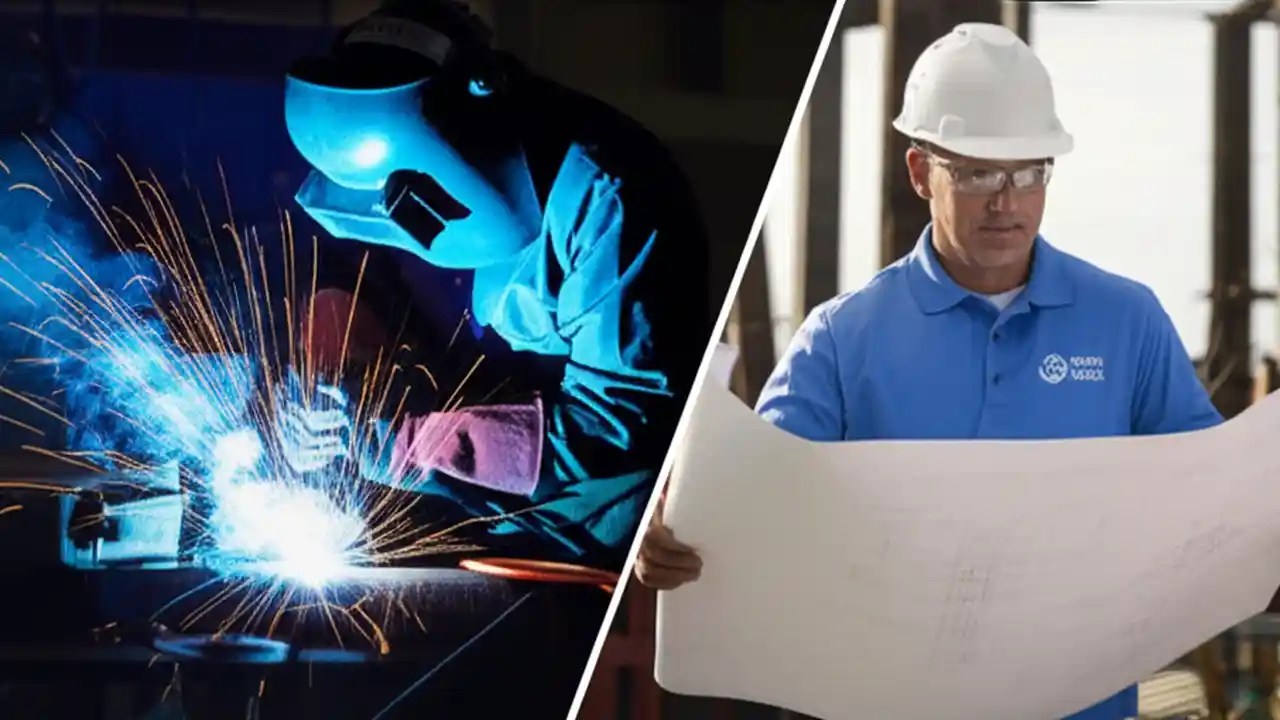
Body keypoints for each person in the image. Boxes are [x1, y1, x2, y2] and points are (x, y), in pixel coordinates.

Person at [634, 22, 1222, 720]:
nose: (1007, 202)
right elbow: (752, 502)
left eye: (1029, 172)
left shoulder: (1127, 322)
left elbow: (1207, 494)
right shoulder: (842, 339)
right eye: (976, 173)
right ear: (921, 172)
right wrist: (672, 526)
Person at [275, 0, 711, 568]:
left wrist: (405, 444)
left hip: (575, 537)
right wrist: (329, 382)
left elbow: (620, 425)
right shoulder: (364, 164)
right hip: (439, 511)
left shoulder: (610, 196)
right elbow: (345, 276)